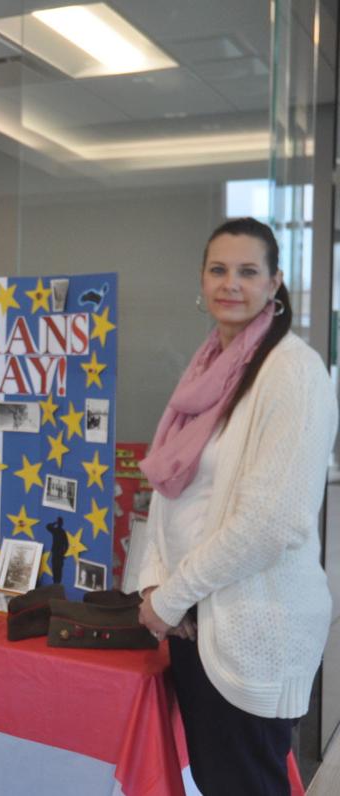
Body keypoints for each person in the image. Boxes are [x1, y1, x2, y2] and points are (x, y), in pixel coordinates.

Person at [134, 217, 336, 795]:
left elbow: (272, 523)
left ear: (274, 283)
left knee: (245, 784)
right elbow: (172, 490)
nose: (231, 284)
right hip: (193, 624)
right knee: (217, 781)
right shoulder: (209, 369)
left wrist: (170, 597)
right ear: (202, 281)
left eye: (248, 271)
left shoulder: (293, 373)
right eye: (219, 269)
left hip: (253, 631)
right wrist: (155, 584)